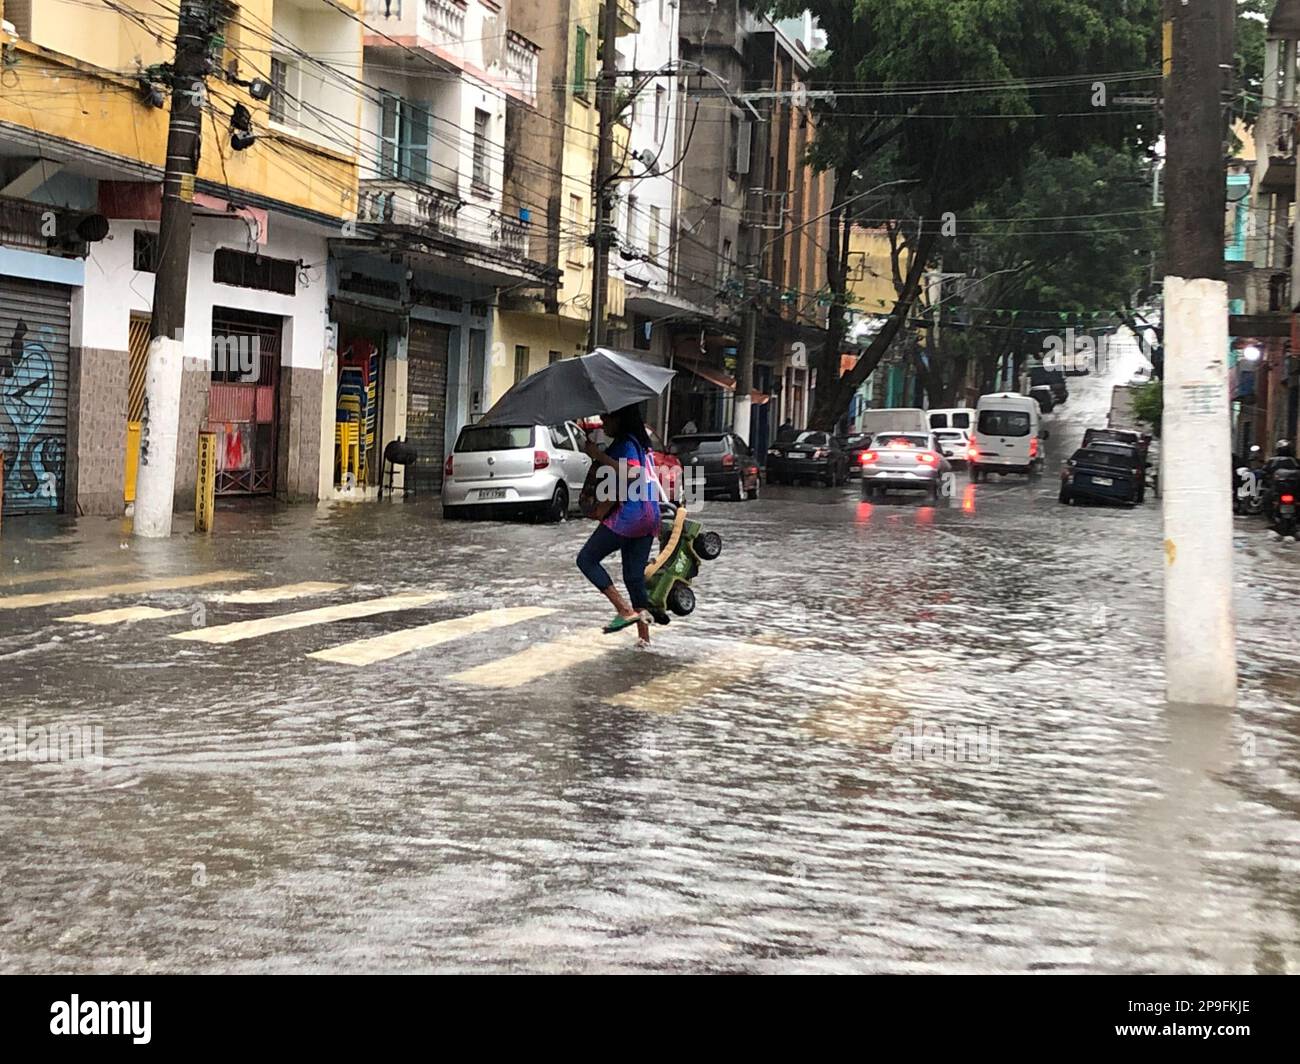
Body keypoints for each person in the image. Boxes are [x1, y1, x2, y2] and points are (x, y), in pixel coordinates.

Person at [577, 405, 663, 647]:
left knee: (586, 559)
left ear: (621, 419)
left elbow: (633, 474)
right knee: (634, 578)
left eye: (607, 417)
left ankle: (623, 609)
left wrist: (600, 456)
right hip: (650, 516)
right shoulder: (640, 443)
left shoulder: (626, 443)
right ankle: (644, 641)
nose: (603, 421)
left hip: (631, 515)